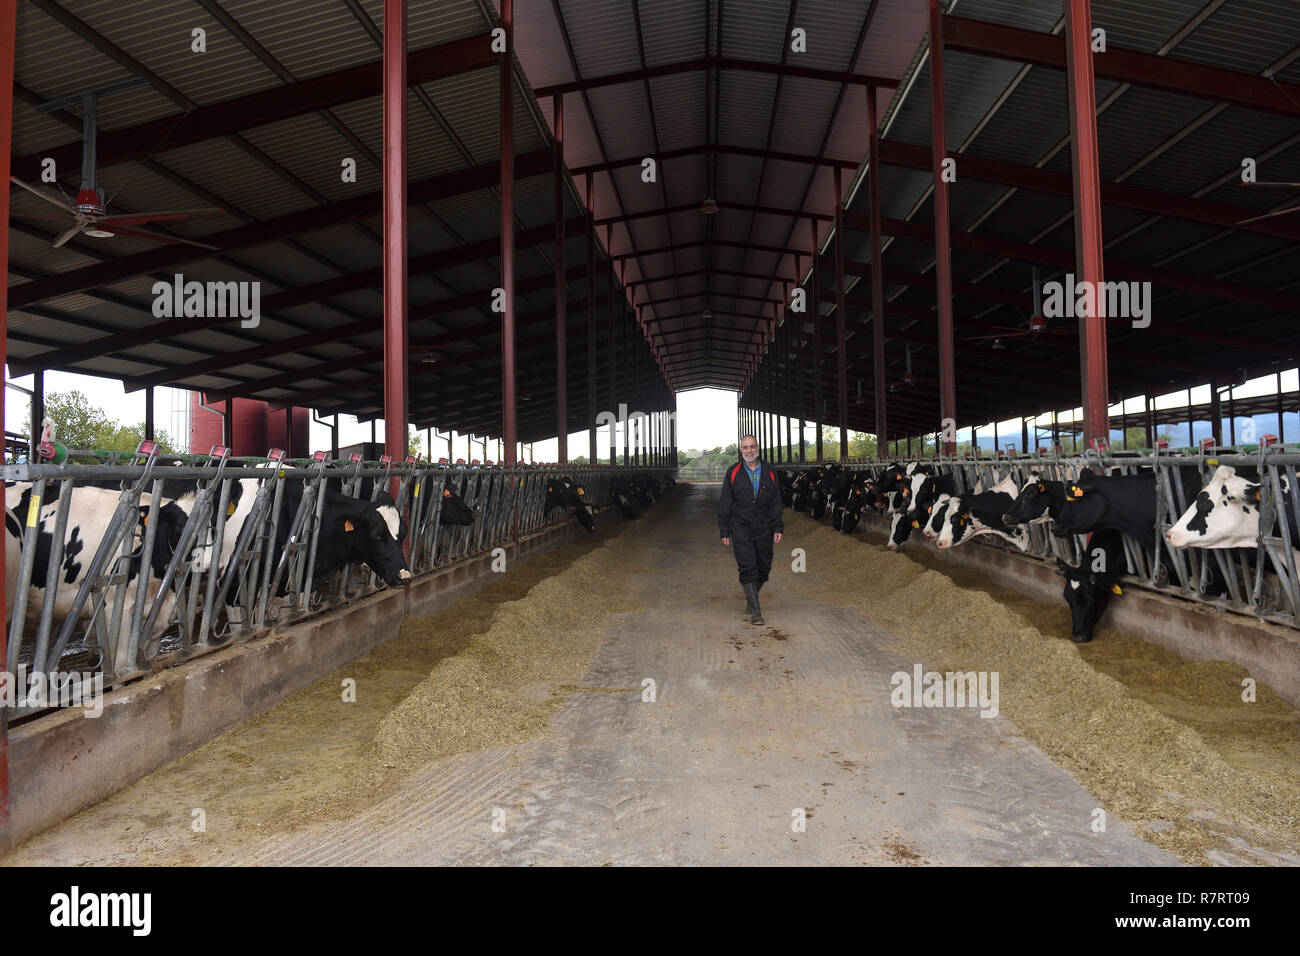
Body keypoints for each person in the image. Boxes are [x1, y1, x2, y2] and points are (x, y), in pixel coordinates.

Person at [716, 434, 783, 625]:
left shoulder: (769, 471)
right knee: (748, 567)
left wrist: (778, 525)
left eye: (752, 446)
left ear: (758, 448)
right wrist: (724, 530)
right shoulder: (733, 472)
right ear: (741, 450)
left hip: (764, 526)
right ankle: (756, 612)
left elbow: (776, 500)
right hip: (741, 527)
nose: (749, 450)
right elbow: (725, 503)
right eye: (745, 447)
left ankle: (750, 597)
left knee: (763, 568)